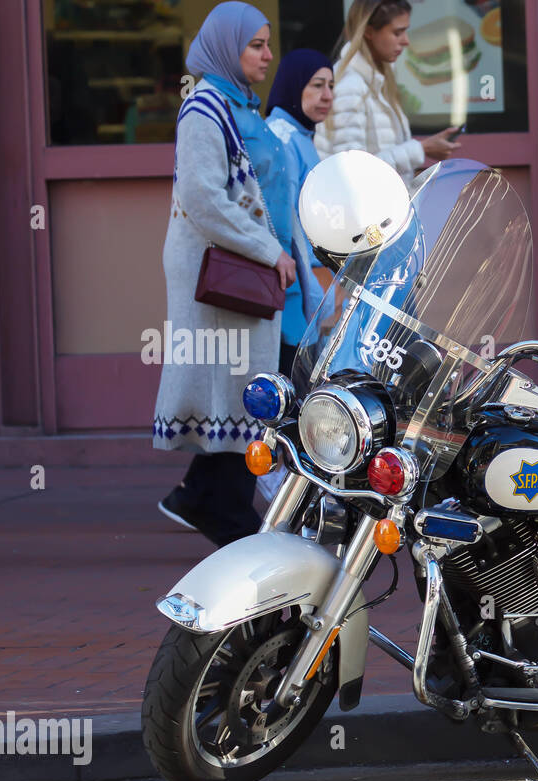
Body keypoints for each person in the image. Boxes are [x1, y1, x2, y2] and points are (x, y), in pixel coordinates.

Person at [152, 2, 296, 546]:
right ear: (225, 47)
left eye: (267, 44)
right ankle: (221, 509)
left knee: (242, 391)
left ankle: (207, 499)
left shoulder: (235, 106)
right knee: (242, 390)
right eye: (255, 45)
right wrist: (268, 251)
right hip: (220, 274)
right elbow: (203, 200)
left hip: (233, 270)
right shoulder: (203, 110)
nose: (266, 54)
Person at [315, 0, 459, 178]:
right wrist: (421, 149)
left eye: (406, 31)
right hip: (365, 204)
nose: (406, 41)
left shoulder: (378, 77)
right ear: (368, 32)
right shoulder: (350, 87)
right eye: (397, 32)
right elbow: (353, 169)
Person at [266, 48, 336, 373]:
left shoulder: (300, 135)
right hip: (288, 289)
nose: (327, 95)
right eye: (317, 85)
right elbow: (281, 223)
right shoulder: (282, 137)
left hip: (302, 288)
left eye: (331, 86)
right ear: (294, 86)